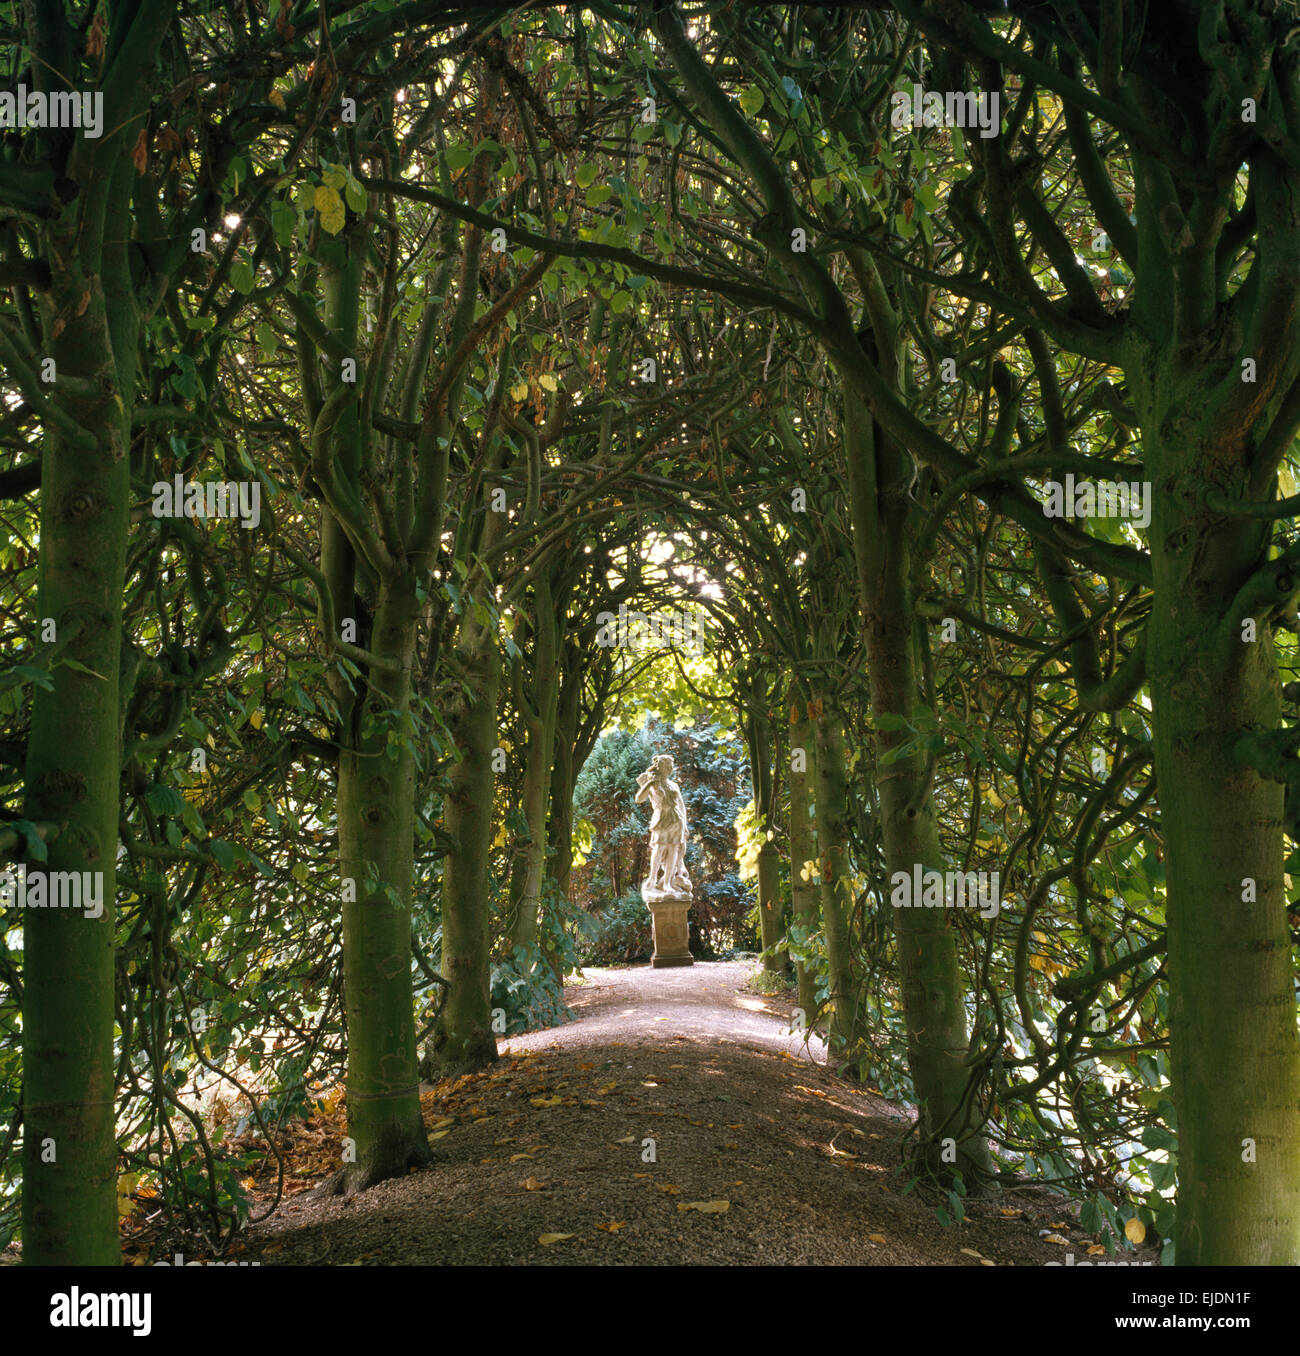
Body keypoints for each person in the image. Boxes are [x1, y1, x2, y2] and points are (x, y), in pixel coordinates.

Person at [634, 754, 691, 894]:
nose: (669, 769)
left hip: (676, 820)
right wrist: (649, 783)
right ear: (660, 767)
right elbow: (639, 799)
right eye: (666, 766)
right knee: (658, 849)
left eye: (670, 766)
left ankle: (667, 883)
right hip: (661, 819)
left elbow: (681, 806)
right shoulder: (653, 783)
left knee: (673, 850)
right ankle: (652, 878)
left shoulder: (673, 785)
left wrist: (684, 825)